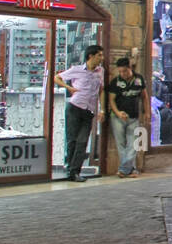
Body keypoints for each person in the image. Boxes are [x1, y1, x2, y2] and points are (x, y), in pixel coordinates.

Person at [54, 44, 106, 182]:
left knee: (82, 141)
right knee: (72, 139)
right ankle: (70, 169)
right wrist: (68, 87)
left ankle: (75, 171)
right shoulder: (77, 70)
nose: (102, 58)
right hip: (75, 107)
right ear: (91, 56)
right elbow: (57, 77)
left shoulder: (100, 71)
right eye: (99, 55)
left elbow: (101, 90)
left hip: (89, 110)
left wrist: (102, 109)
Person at [106, 56, 148, 178]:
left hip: (134, 116)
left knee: (133, 144)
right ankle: (131, 169)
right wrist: (118, 113)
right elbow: (111, 100)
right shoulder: (115, 82)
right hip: (118, 117)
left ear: (130, 68)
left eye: (124, 71)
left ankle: (124, 170)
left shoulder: (139, 80)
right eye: (120, 71)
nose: (122, 74)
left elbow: (144, 96)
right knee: (121, 144)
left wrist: (146, 112)